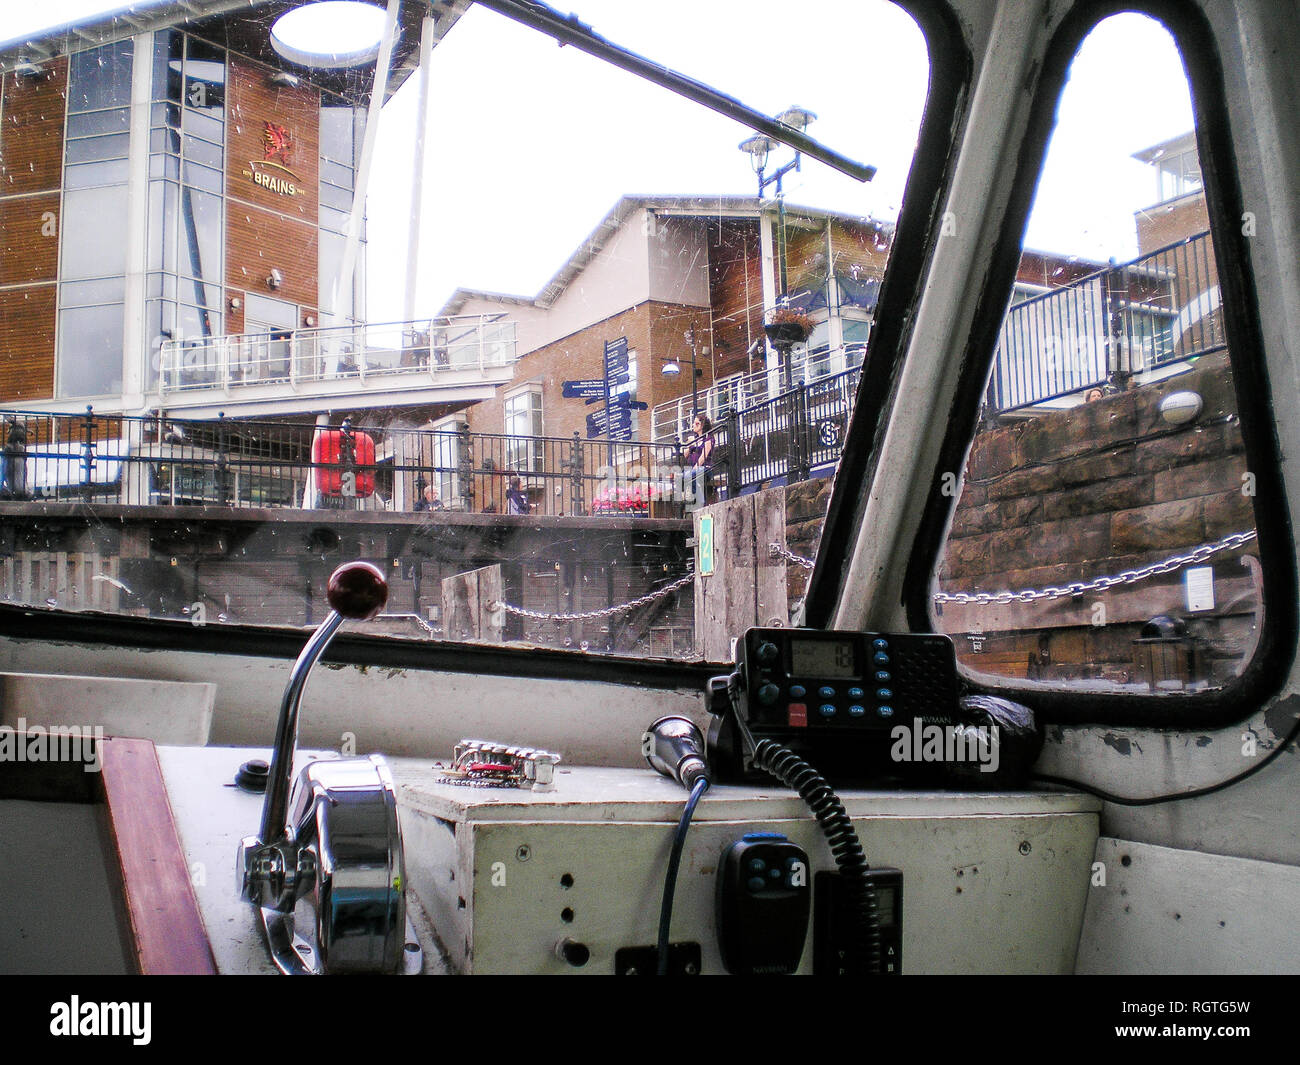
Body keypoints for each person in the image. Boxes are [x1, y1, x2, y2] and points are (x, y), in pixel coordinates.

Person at [685, 413, 715, 508]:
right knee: (681, 477)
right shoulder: (695, 439)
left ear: (702, 425)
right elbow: (685, 455)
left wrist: (694, 469)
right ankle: (692, 501)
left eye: (696, 423)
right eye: (693, 423)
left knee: (689, 475)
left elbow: (703, 456)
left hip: (705, 469)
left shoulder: (708, 438)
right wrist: (690, 443)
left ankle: (699, 502)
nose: (693, 425)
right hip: (695, 470)